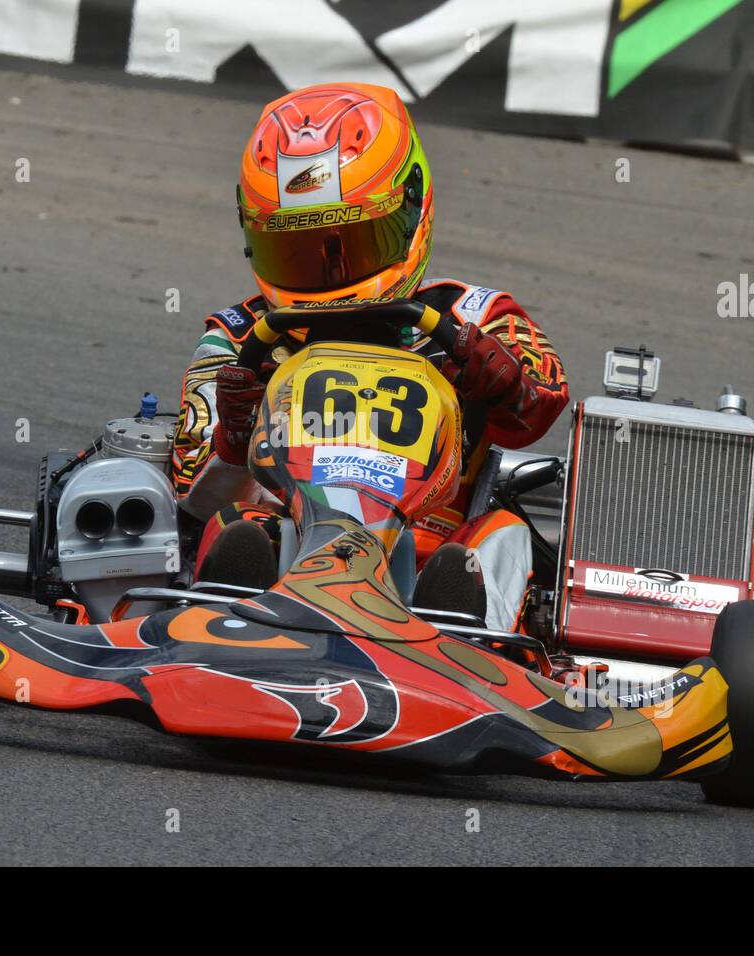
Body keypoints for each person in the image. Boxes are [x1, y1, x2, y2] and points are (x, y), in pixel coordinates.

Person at [169, 83, 568, 632]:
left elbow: (544, 407)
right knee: (239, 524)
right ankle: (223, 627)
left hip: (433, 559)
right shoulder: (238, 342)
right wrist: (234, 443)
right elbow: (192, 499)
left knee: (506, 531)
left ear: (410, 208)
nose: (329, 276)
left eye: (351, 245)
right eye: (297, 253)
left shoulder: (474, 319)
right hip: (290, 551)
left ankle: (462, 645)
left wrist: (503, 381)